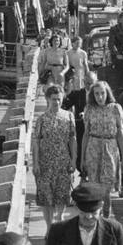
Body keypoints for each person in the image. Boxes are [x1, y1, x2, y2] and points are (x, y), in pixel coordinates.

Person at [31, 83, 77, 230]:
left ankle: (60, 218)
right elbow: (36, 143)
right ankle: (50, 227)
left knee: (62, 194)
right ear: (47, 100)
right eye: (53, 99)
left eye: (59, 99)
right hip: (45, 163)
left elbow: (72, 140)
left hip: (63, 162)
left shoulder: (69, 116)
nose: (56, 102)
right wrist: (35, 163)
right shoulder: (41, 119)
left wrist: (74, 160)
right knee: (46, 197)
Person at [81, 80, 123, 214]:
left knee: (107, 186)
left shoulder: (115, 108)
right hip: (93, 148)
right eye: (96, 94)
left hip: (110, 149)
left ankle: (106, 214)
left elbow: (120, 133)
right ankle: (96, 215)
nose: (100, 97)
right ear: (93, 95)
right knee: (94, 185)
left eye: (102, 93)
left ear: (107, 93)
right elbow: (85, 134)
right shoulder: (89, 109)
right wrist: (82, 158)